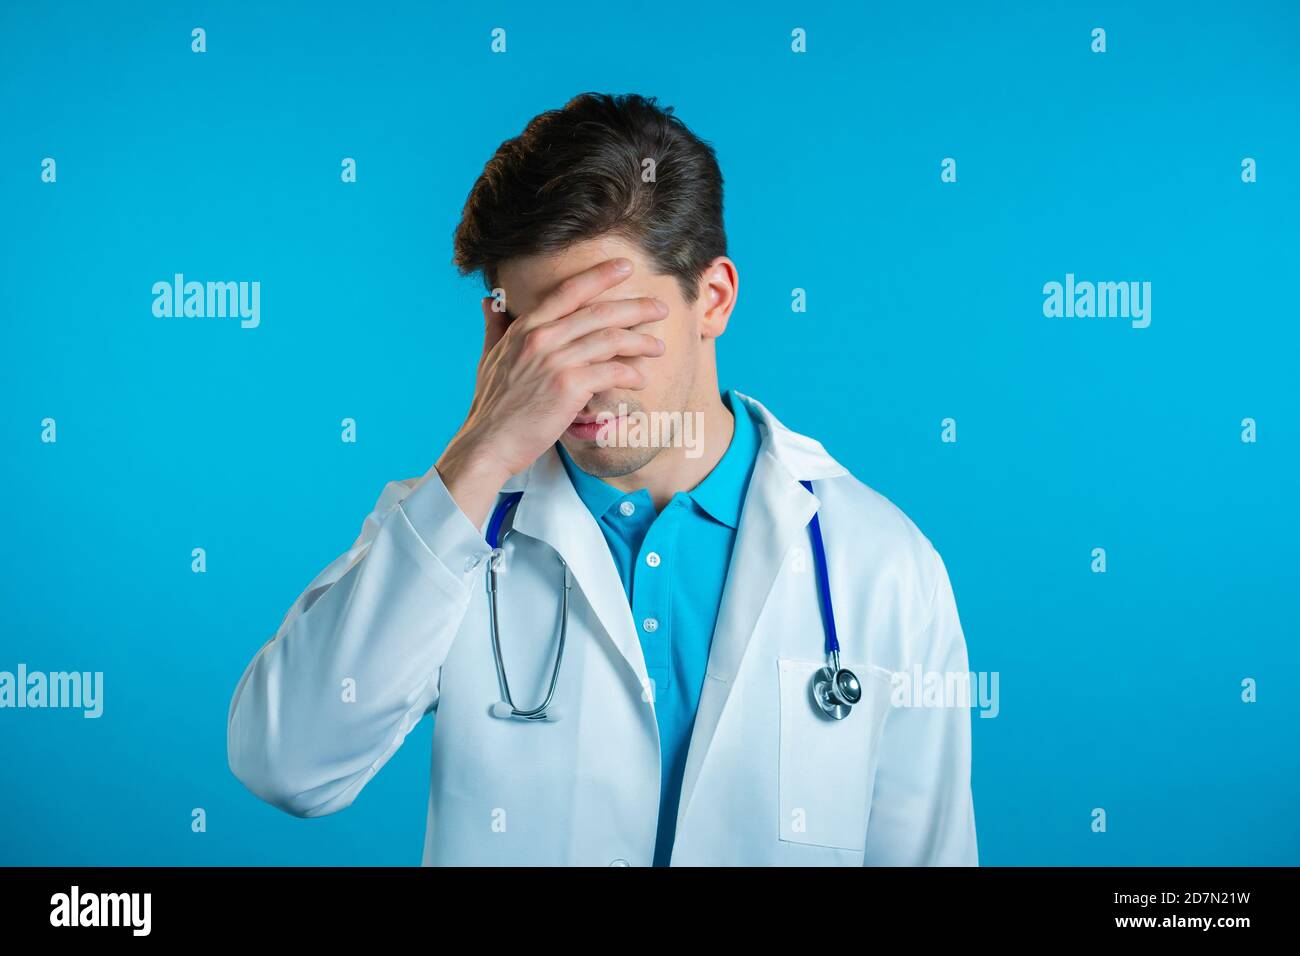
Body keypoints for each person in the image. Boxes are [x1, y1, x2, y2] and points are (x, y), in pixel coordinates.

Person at [226, 92, 979, 867]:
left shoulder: (880, 564)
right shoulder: (458, 522)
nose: (573, 380)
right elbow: (286, 765)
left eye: (609, 328)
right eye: (538, 337)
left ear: (712, 298)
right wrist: (481, 449)